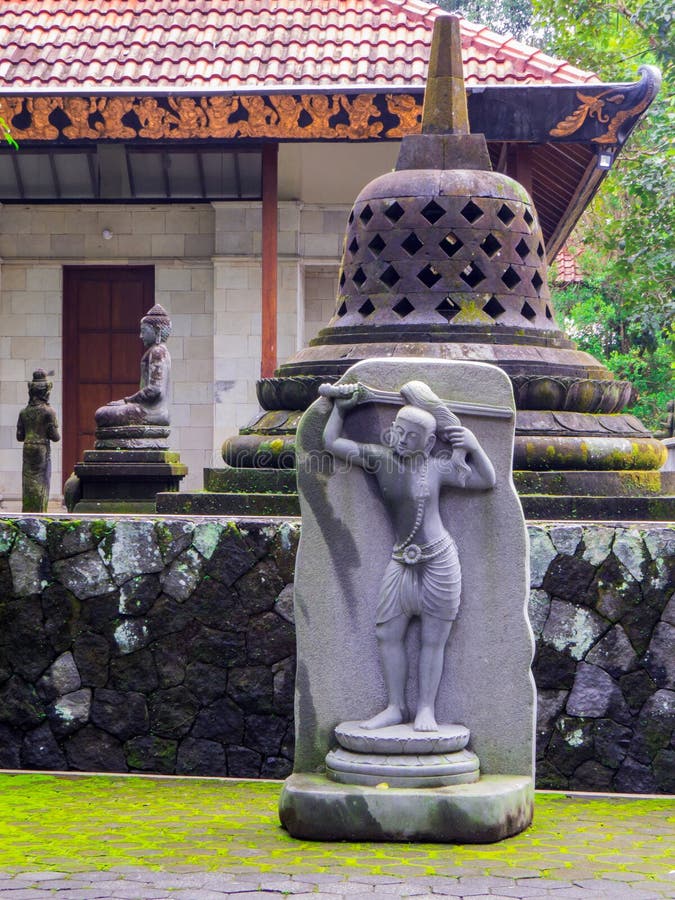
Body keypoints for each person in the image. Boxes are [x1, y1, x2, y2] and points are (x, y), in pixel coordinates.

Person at [322, 379, 496, 732]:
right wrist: (339, 409)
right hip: (402, 559)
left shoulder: (437, 467)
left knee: (435, 638)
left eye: (411, 437)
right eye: (397, 433)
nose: (401, 441)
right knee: (388, 633)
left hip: (439, 560)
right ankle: (395, 706)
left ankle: (426, 709)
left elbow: (486, 480)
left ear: (429, 442)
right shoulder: (379, 459)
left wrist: (474, 445)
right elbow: (331, 443)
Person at [95, 304, 171, 428]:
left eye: (144, 331)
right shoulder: (160, 351)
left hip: (152, 412)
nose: (141, 336)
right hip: (152, 410)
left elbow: (155, 390)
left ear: (157, 331)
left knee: (102, 414)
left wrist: (127, 401)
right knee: (107, 411)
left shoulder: (157, 352)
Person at [16, 369, 60, 512]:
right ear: (46, 392)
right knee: (42, 481)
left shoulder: (24, 412)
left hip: (27, 446)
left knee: (28, 481)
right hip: (41, 447)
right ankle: (39, 511)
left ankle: (28, 509)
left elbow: (20, 436)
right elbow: (55, 437)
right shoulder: (48, 412)